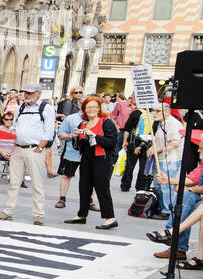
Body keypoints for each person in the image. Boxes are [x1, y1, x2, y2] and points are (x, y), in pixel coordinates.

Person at [149, 133, 203, 260]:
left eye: (201, 148)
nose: (198, 150)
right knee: (185, 196)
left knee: (192, 199)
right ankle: (176, 243)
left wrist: (192, 188)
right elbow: (193, 177)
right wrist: (169, 180)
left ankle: (174, 236)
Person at [0, 83, 54, 225]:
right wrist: (14, 133)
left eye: (30, 93)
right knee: (13, 182)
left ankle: (38, 214)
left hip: (34, 149)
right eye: (26, 92)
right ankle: (8, 210)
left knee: (37, 183)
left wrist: (40, 147)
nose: (27, 95)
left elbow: (49, 131)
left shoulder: (46, 108)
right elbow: (14, 126)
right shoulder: (21, 107)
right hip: (18, 148)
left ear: (39, 93)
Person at [63, 95, 119, 230]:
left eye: (94, 106)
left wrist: (95, 136)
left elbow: (112, 143)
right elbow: (78, 146)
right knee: (84, 187)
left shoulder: (106, 122)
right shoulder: (82, 124)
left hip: (102, 158)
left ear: (99, 108)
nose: (91, 109)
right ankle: (81, 215)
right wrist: (76, 137)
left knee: (101, 187)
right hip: (86, 158)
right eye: (88, 107)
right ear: (84, 109)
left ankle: (110, 218)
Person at [149, 102, 184, 225]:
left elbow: (175, 143)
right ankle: (161, 207)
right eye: (154, 110)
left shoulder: (173, 123)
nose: (154, 113)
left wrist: (157, 149)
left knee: (166, 185)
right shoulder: (161, 123)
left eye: (157, 111)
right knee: (158, 184)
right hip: (161, 158)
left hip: (170, 159)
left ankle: (167, 211)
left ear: (167, 112)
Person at [120, 101, 154, 194]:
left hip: (135, 142)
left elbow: (127, 128)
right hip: (148, 143)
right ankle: (140, 187)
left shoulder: (136, 113)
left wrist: (125, 141)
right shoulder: (154, 114)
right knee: (143, 166)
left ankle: (125, 185)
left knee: (130, 165)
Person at [52, 108, 82, 207]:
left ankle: (89, 201)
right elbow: (60, 135)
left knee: (90, 178)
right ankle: (62, 199)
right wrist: (71, 135)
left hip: (89, 154)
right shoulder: (71, 118)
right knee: (67, 175)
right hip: (72, 153)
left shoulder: (99, 119)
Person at [0, 112, 17, 184]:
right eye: (7, 119)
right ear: (3, 120)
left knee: (19, 158)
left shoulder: (15, 130)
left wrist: (12, 152)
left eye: (11, 119)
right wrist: (2, 153)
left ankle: (20, 180)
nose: (9, 121)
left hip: (12, 151)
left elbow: (17, 143)